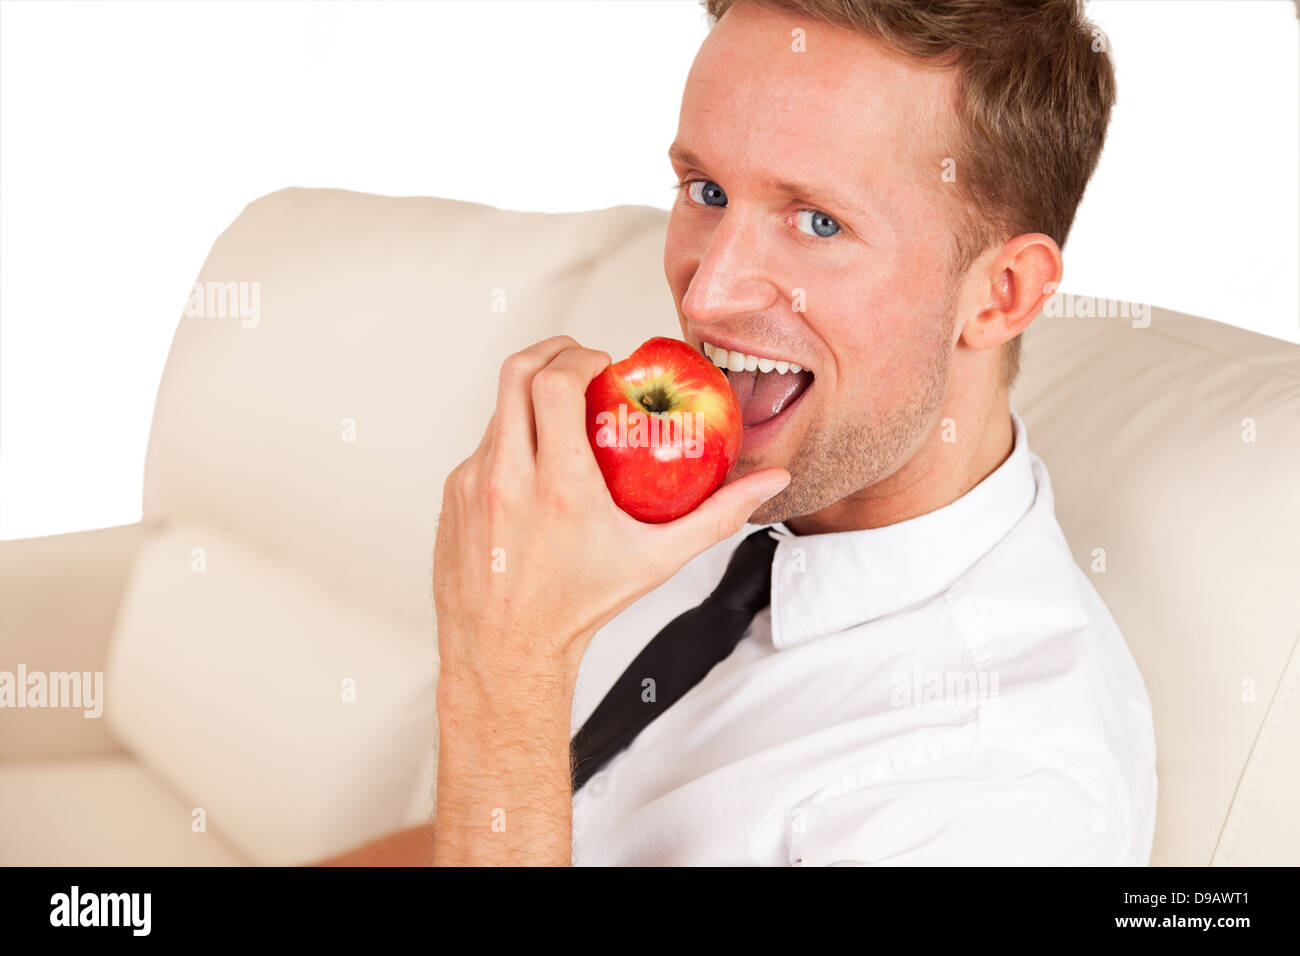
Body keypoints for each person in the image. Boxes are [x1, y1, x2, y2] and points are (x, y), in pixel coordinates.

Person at [310, 0, 1156, 867]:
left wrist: (502, 675)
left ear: (1003, 293)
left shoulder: (1000, 793)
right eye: (706, 191)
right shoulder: (705, 495)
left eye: (818, 221)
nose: (706, 295)